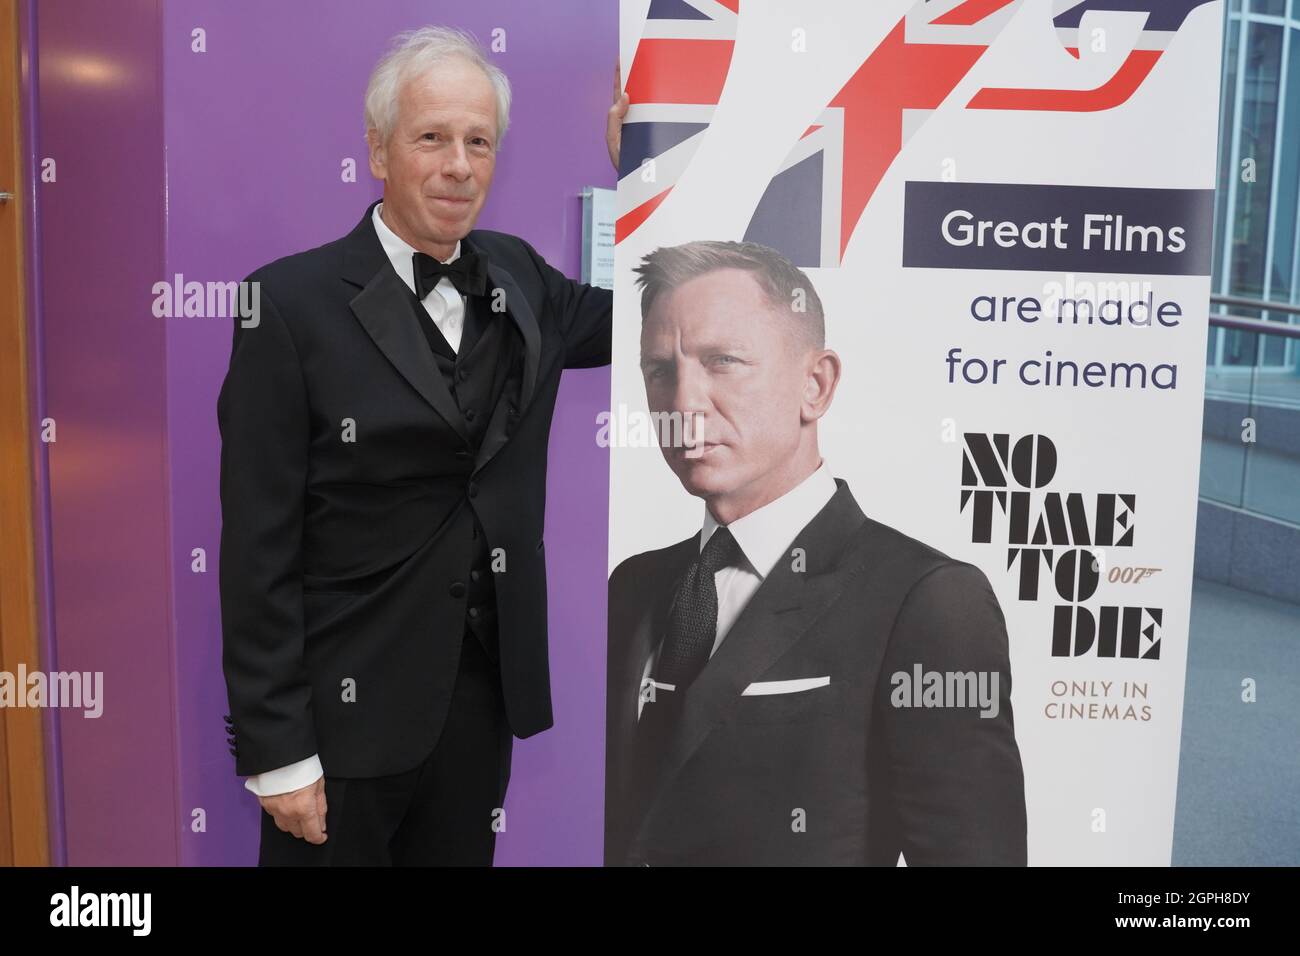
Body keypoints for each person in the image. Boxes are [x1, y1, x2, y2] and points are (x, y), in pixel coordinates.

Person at [218, 25, 624, 865]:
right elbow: (257, 547)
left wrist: (649, 176)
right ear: (378, 150)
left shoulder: (519, 275)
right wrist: (278, 752)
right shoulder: (287, 304)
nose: (459, 165)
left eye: (479, 141)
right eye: (432, 137)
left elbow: (654, 317)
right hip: (337, 726)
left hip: (476, 712)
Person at [604, 240, 1028, 865]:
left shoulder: (929, 601)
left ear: (816, 384)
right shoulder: (634, 584)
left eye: (723, 361)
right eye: (660, 370)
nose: (684, 405)